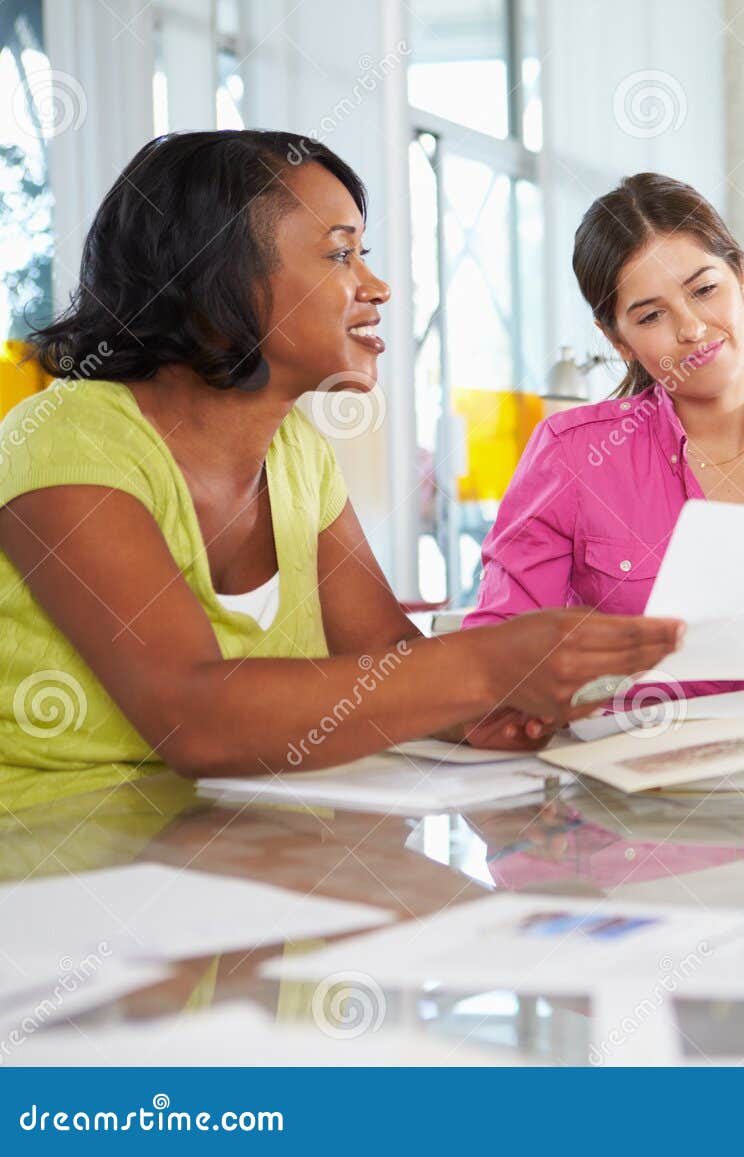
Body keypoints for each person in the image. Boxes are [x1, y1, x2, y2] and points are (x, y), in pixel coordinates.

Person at [0, 131, 679, 808]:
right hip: (62, 862)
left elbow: (386, 656)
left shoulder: (297, 453)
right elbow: (194, 718)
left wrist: (489, 704)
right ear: (211, 280)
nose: (377, 287)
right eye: (340, 254)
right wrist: (488, 663)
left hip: (244, 843)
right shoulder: (64, 442)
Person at [464, 173, 744, 702]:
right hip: (632, 765)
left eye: (704, 290)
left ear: (741, 279)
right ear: (618, 340)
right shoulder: (573, 455)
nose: (692, 329)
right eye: (651, 315)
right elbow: (494, 657)